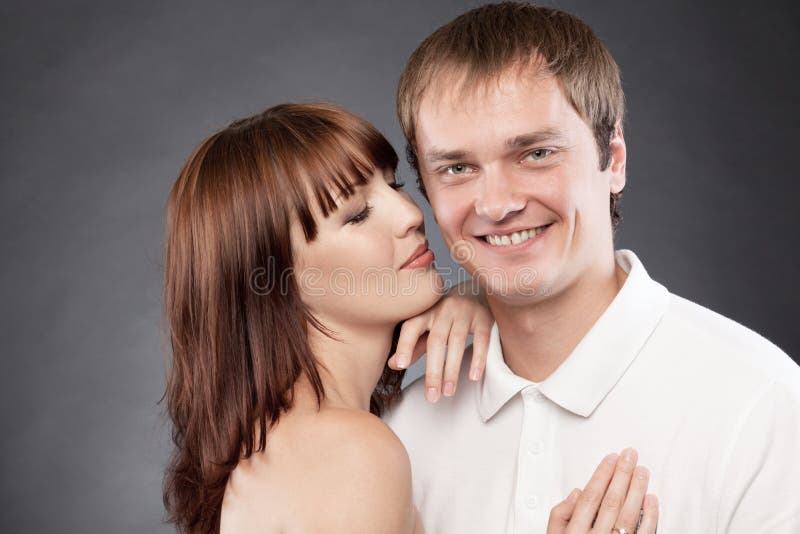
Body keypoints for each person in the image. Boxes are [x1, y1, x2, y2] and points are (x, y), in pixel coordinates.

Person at [383, 3, 800, 534]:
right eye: (458, 168)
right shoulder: (401, 436)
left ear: (615, 158)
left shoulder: (762, 407)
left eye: (535, 153)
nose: (495, 204)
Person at [161, 102, 658, 533]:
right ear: (276, 278)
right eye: (356, 215)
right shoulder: (351, 452)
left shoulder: (281, 438)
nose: (409, 213)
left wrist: (482, 296)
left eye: (394, 184)